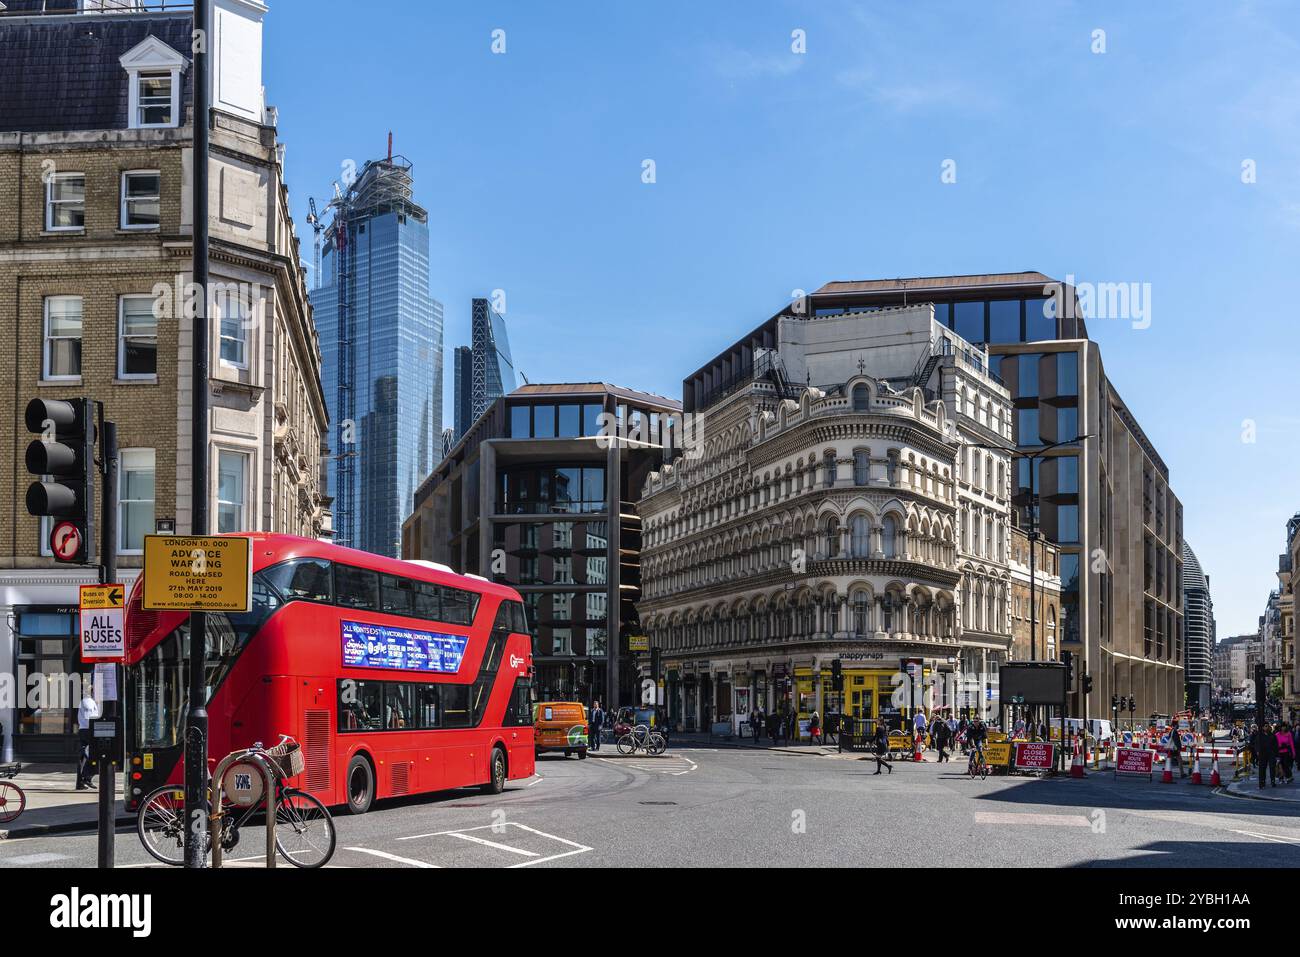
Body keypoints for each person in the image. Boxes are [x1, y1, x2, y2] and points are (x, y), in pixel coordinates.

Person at [76, 687, 100, 790]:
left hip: (85, 730)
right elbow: (89, 718)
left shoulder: (88, 701)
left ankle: (83, 781)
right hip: (88, 730)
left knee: (85, 756)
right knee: (94, 754)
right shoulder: (88, 701)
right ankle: (86, 777)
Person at [1253, 722, 1278, 789]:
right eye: (1265, 726)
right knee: (1263, 768)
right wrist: (1258, 751)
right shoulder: (1260, 736)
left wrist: (1276, 754)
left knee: (1272, 768)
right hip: (1263, 754)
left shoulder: (1272, 735)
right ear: (1263, 727)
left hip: (1271, 753)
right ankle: (1263, 782)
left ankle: (1273, 781)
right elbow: (1256, 744)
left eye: (1267, 726)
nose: (1266, 727)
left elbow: (1276, 745)